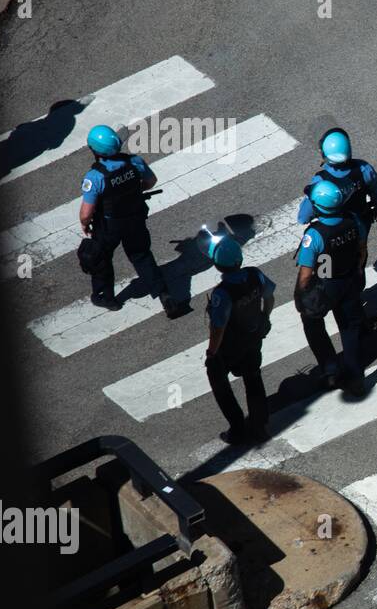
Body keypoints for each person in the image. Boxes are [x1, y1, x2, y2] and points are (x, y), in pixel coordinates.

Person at [77, 125, 178, 315]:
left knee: (101, 258)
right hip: (135, 218)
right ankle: (165, 296)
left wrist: (84, 224)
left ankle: (106, 298)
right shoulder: (134, 162)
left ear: (94, 150)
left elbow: (86, 213)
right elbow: (150, 182)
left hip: (108, 226)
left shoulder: (95, 177)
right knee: (141, 255)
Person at [294, 179, 367, 395]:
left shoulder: (314, 234)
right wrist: (359, 270)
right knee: (349, 329)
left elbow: (306, 273)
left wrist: (301, 295)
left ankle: (330, 368)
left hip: (324, 286)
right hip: (350, 279)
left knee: (312, 323)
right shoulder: (354, 220)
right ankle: (356, 377)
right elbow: (362, 249)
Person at [203, 236, 274, 445]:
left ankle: (237, 427)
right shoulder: (255, 275)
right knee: (253, 377)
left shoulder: (222, 293)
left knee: (218, 381)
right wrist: (264, 317)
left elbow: (218, 327)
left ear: (217, 265)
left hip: (229, 347)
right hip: (253, 337)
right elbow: (269, 297)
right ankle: (259, 426)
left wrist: (211, 353)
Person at [297, 128, 377, 230]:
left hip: (334, 232)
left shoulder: (320, 181)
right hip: (360, 228)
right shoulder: (363, 169)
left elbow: (303, 217)